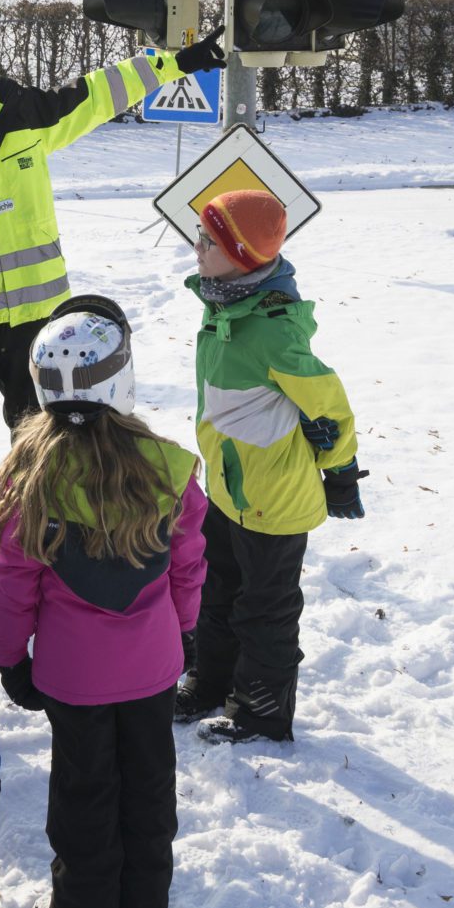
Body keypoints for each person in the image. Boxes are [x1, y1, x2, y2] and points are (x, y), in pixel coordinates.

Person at [0, 16, 225, 636]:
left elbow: (100, 92)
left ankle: (55, 567)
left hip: (40, 334)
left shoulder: (22, 112)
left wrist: (174, 62)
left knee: (53, 459)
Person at [0, 298, 206, 908]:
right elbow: (188, 564)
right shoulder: (166, 469)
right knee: (147, 786)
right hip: (150, 666)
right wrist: (186, 631)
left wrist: (8, 659)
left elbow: (12, 580)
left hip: (71, 676)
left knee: (84, 795)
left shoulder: (29, 476)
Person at [176, 189, 362, 745]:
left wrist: (342, 471)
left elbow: (329, 407)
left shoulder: (274, 331)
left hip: (275, 502)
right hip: (229, 490)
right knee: (217, 590)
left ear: (241, 254)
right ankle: (210, 681)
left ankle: (261, 712)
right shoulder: (225, 306)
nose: (198, 246)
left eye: (210, 240)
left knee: (265, 610)